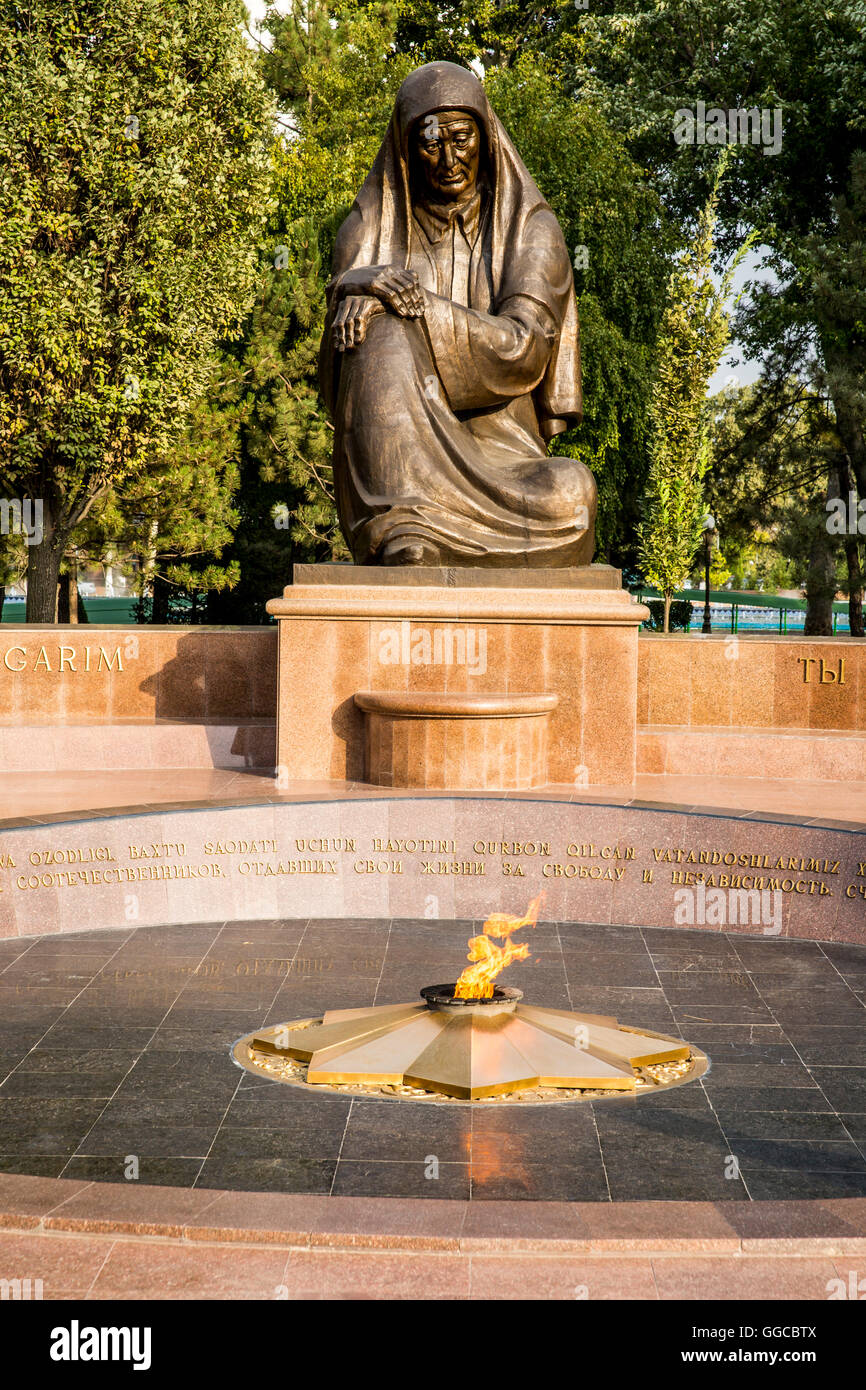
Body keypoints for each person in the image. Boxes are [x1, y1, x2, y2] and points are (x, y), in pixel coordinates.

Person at [319, 60, 597, 568]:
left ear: (486, 140)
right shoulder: (368, 228)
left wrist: (415, 308)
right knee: (372, 327)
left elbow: (523, 348)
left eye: (462, 138)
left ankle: (426, 527)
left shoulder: (531, 230)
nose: (449, 159)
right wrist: (350, 289)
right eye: (430, 143)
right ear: (406, 150)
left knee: (573, 492)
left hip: (503, 455)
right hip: (396, 464)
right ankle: (404, 525)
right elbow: (339, 379)